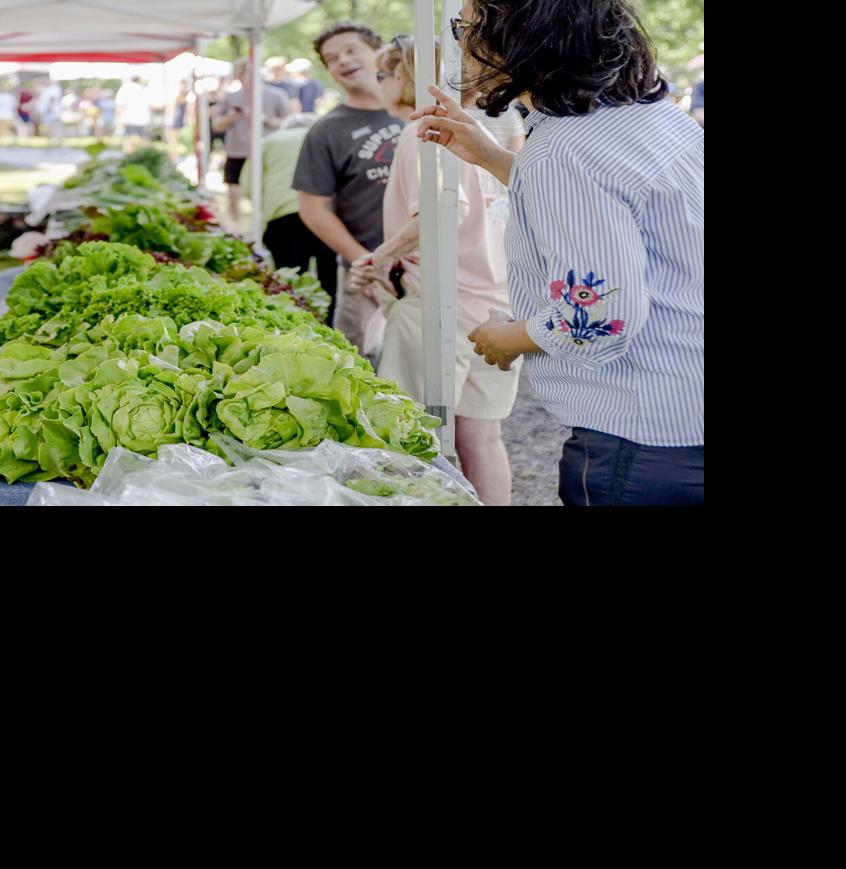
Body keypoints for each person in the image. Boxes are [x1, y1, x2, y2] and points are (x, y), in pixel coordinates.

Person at [415, 0, 704, 506]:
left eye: (466, 27)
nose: (460, 41)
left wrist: (511, 337)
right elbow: (621, 212)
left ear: (522, 35)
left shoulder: (564, 150)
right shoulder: (651, 116)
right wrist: (495, 159)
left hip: (638, 440)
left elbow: (603, 314)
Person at [350, 37, 517, 506]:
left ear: (407, 76)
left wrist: (377, 258)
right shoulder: (477, 130)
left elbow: (443, 214)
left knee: (411, 435)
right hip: (493, 304)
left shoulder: (421, 131)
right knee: (483, 439)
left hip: (438, 304)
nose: (378, 83)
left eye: (384, 73)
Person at [291, 21, 403, 351]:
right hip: (366, 274)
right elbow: (311, 208)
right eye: (332, 58)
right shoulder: (326, 131)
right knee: (366, 367)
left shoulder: (413, 109)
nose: (343, 61)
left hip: (432, 265)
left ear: (378, 51)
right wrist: (364, 261)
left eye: (351, 50)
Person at [240, 112, 332, 292]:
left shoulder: (269, 142)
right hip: (327, 217)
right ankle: (328, 319)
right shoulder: (326, 138)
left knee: (289, 282)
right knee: (328, 279)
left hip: (282, 217)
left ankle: (297, 315)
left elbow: (249, 187)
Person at [213, 63, 293, 219]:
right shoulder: (231, 97)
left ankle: (260, 225)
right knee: (233, 195)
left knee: (264, 192)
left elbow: (288, 122)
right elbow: (217, 126)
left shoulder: (276, 94)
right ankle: (234, 226)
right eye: (242, 74)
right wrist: (231, 117)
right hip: (237, 151)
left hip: (266, 151)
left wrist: (266, 120)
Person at [115, 76, 152, 151]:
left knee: (127, 137)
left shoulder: (125, 88)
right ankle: (147, 155)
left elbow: (121, 105)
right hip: (142, 118)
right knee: (143, 137)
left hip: (128, 118)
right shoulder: (144, 88)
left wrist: (118, 119)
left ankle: (129, 155)